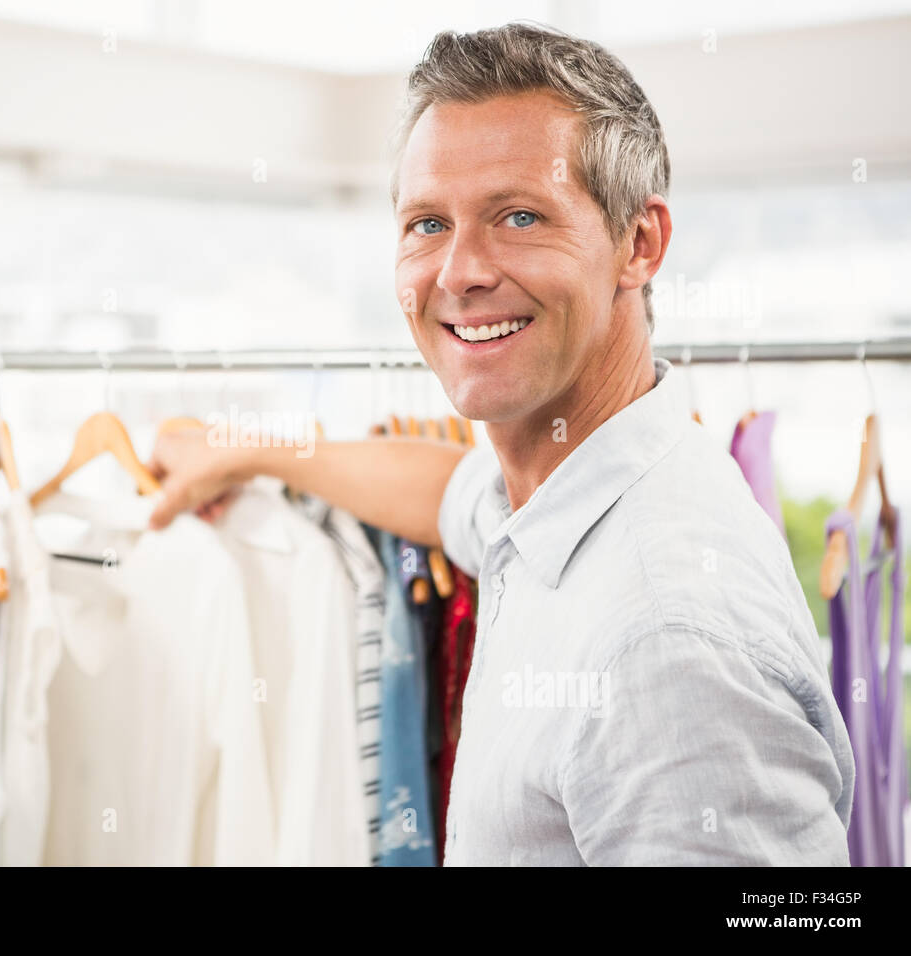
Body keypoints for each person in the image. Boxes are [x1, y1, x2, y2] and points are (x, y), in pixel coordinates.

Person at [145, 23, 854, 866]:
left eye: (519, 217)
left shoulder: (666, 639)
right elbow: (448, 495)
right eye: (427, 224)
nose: (458, 272)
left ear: (640, 243)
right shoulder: (564, 497)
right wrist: (249, 448)